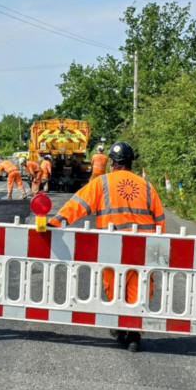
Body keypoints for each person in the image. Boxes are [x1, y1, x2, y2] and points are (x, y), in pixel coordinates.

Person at [47, 141, 165, 352]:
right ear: (131, 163)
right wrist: (159, 246)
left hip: (113, 247)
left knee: (113, 286)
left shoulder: (101, 183)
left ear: (112, 162)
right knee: (138, 289)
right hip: (143, 247)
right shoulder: (147, 186)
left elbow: (78, 204)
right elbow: (160, 219)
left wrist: (55, 221)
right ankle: (134, 336)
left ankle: (119, 325)